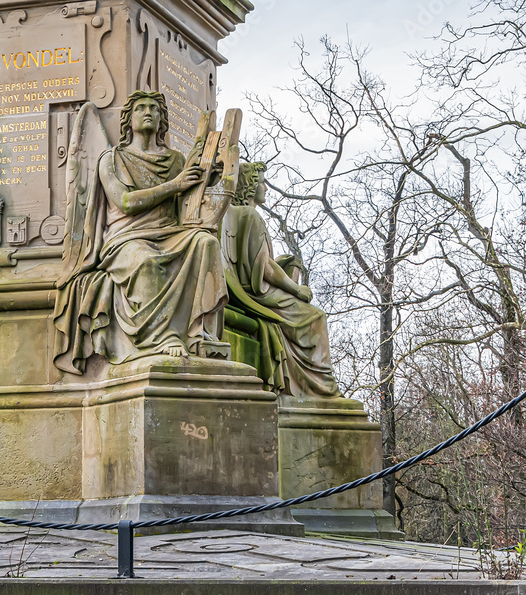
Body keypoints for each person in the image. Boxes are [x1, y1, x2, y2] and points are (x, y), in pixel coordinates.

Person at [54, 91, 227, 374]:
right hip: (126, 238)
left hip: (170, 232)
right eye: (141, 108)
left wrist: (210, 180)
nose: (148, 112)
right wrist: (176, 184)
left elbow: (188, 207)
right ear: (129, 119)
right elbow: (125, 201)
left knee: (205, 242)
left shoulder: (175, 160)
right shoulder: (112, 158)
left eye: (154, 109)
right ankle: (159, 338)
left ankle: (199, 333)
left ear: (162, 120)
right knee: (146, 261)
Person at [221, 161, 341, 396]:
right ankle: (320, 388)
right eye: (263, 182)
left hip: (250, 288)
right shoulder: (251, 217)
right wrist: (296, 289)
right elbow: (265, 269)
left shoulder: (241, 216)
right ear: (250, 184)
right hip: (259, 293)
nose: (266, 187)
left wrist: (285, 265)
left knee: (291, 264)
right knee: (315, 317)